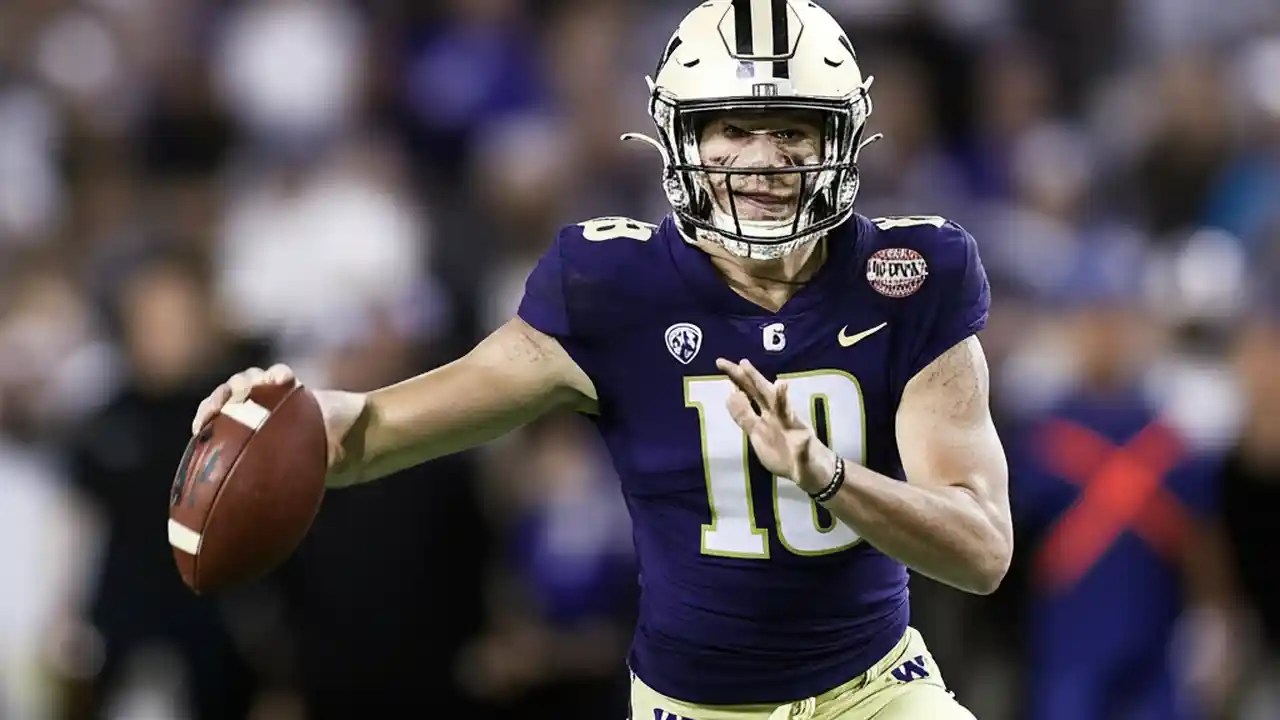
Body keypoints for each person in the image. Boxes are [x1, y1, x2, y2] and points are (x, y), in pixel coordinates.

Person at [190, 2, 1012, 718]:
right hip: (696, 708)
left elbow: (980, 551)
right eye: (733, 128)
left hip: (874, 689)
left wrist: (829, 476)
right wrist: (285, 413)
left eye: (793, 129)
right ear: (681, 136)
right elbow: (373, 429)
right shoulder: (611, 288)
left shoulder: (909, 278)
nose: (765, 160)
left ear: (841, 137)